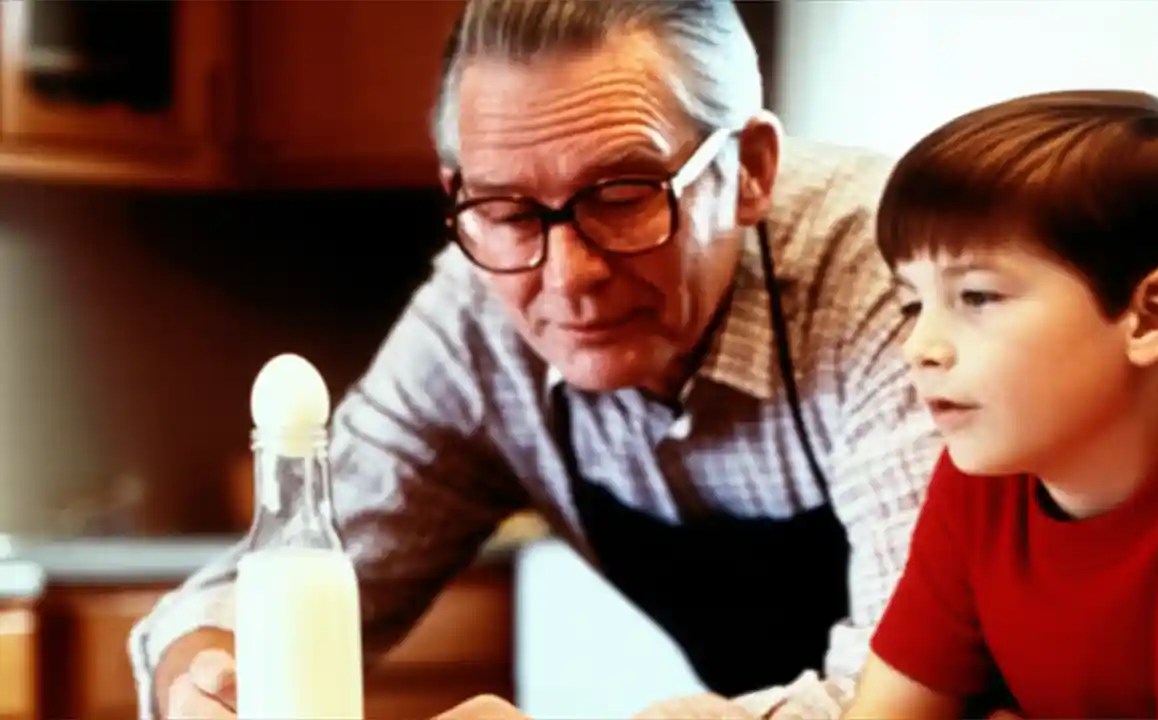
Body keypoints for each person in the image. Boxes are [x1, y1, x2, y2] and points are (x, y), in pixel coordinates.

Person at [130, 2, 941, 719]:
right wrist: (205, 677)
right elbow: (256, 588)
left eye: (623, 196)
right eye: (509, 209)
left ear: (750, 170)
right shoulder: (475, 319)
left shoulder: (899, 277)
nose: (567, 277)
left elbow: (920, 697)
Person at [841, 89, 1158, 719]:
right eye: (913, 303)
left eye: (978, 297)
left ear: (1151, 315)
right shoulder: (980, 489)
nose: (920, 346)